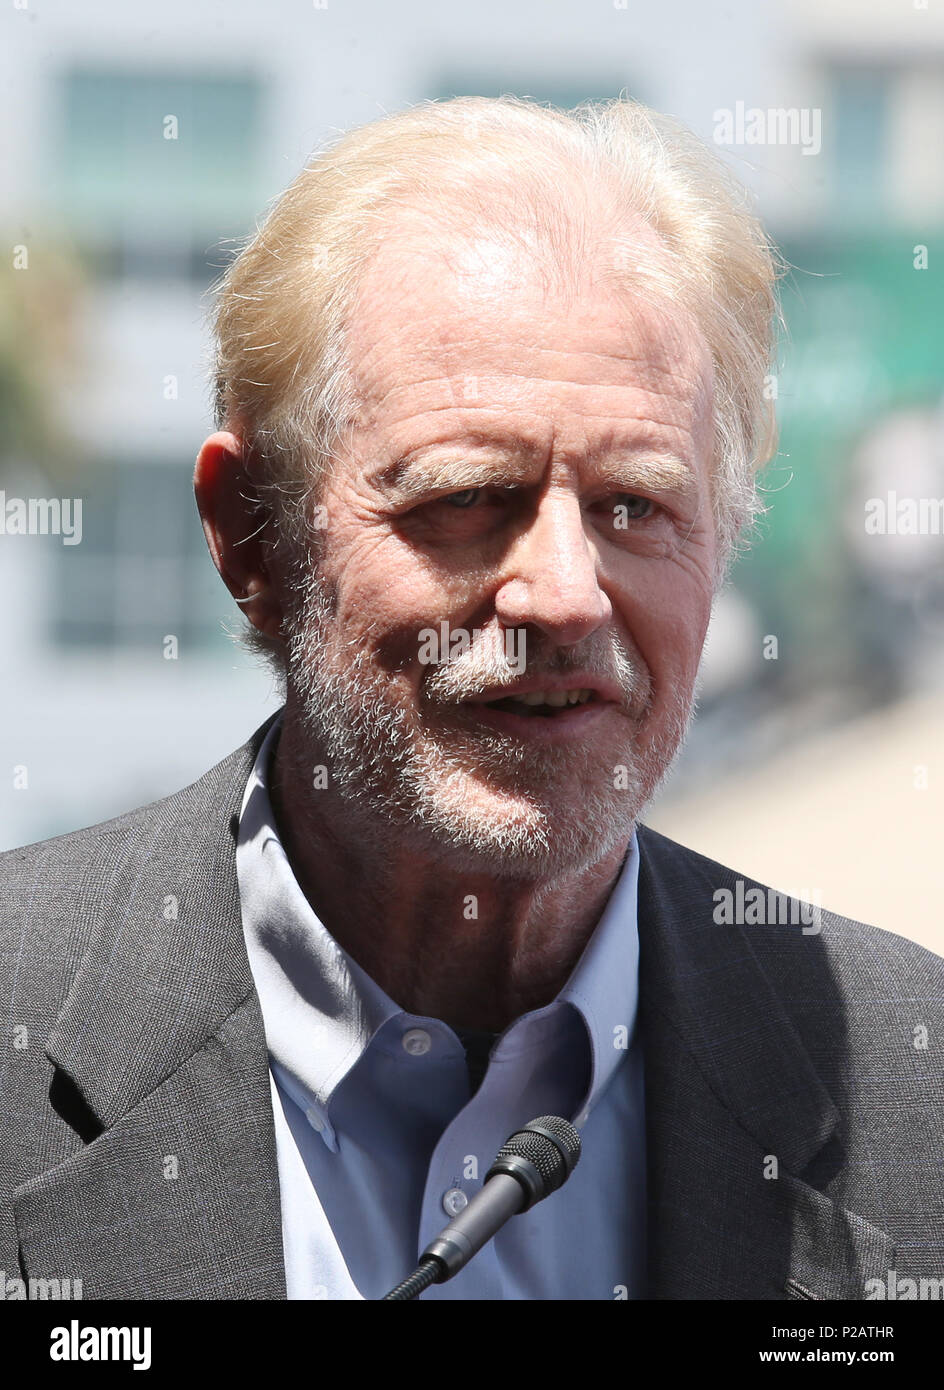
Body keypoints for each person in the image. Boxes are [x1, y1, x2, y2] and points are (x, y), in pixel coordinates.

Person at [2, 95, 942, 1302]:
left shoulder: (910, 1092)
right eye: (465, 498)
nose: (560, 594)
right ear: (251, 533)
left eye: (632, 507)